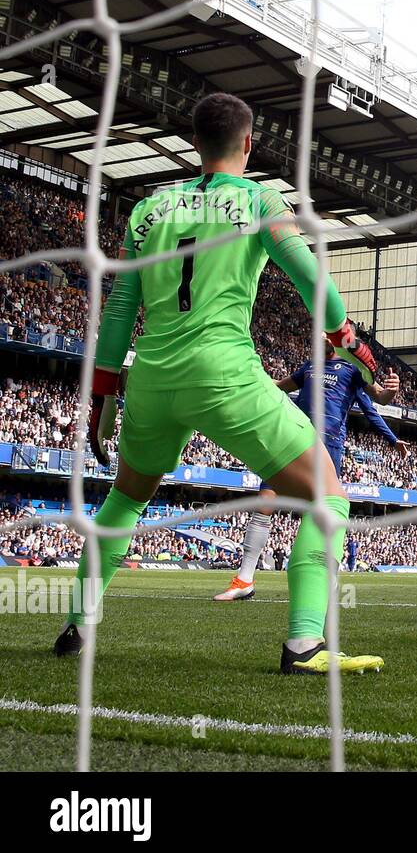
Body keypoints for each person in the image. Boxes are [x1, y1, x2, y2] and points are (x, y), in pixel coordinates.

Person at [61, 91, 384, 674]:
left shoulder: (148, 211)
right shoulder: (261, 200)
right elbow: (315, 283)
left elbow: (118, 310)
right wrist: (349, 340)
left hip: (152, 378)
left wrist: (103, 397)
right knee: (328, 496)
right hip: (224, 374)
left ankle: (77, 623)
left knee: (125, 499)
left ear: (194, 144)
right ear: (249, 143)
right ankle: (303, 644)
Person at [213, 340, 403, 600]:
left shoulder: (352, 370)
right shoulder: (309, 366)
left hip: (329, 444)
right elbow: (279, 387)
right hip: (295, 438)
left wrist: (391, 394)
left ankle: (327, 576)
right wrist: (249, 376)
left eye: (327, 332)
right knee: (265, 500)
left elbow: (379, 399)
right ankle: (244, 579)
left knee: (322, 511)